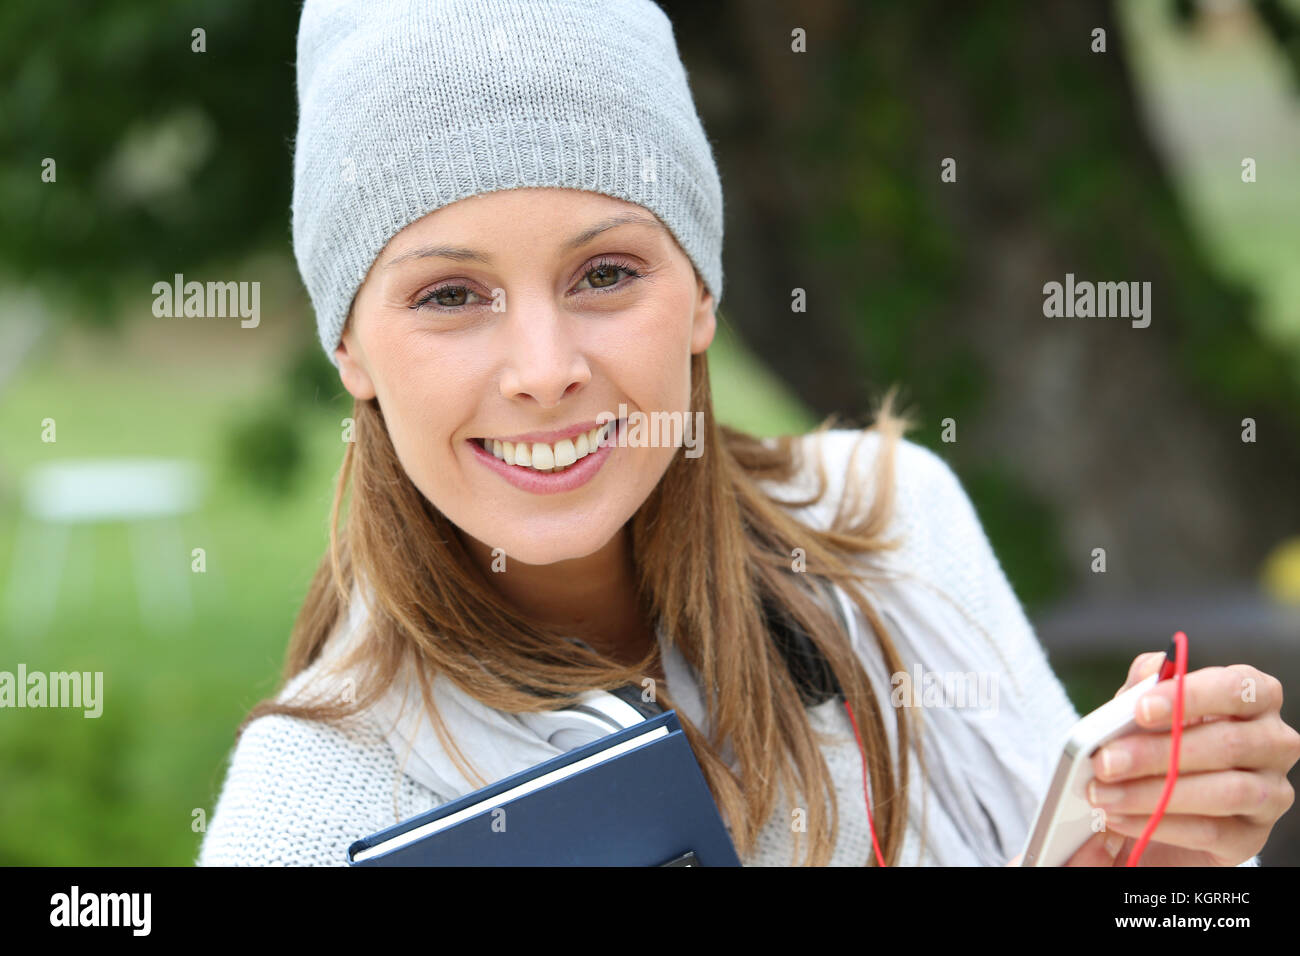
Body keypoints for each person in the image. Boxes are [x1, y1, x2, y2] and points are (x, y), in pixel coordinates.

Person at [197, 0, 1298, 867]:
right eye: (449, 295)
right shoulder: (311, 803)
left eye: (607, 273)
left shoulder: (889, 527)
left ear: (702, 292)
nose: (543, 371)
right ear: (349, 347)